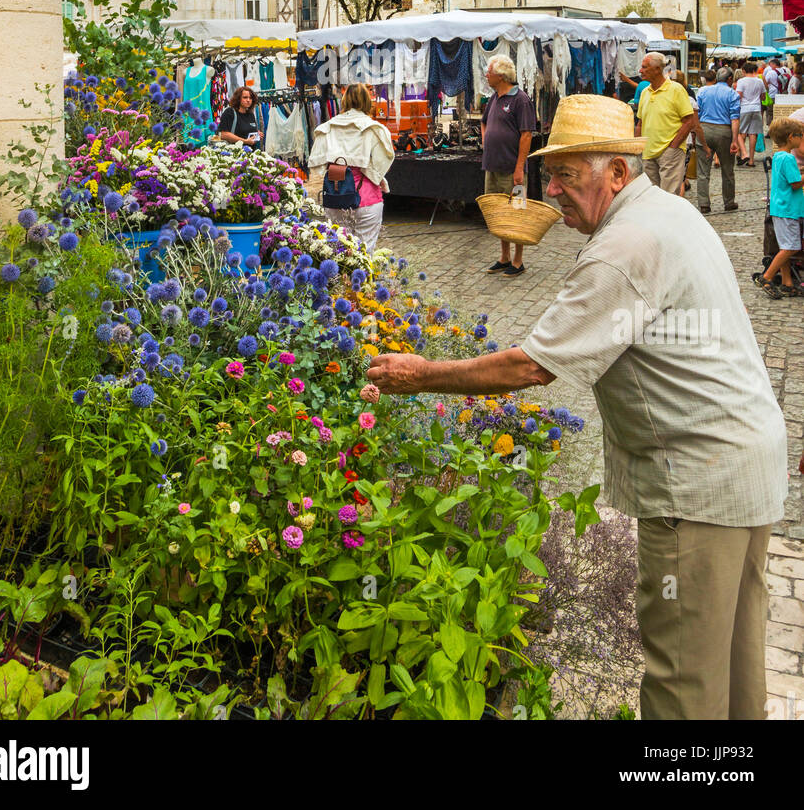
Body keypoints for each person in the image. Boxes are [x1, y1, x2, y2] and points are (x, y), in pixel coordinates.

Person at [368, 94, 787, 721]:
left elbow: (531, 364)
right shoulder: (668, 211)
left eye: (568, 174)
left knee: (684, 685)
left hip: (697, 484)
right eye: (552, 172)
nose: (554, 188)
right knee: (733, 666)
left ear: (617, 173)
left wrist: (422, 372)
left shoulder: (625, 247)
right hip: (745, 465)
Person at [307, 83, 394, 252]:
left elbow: (317, 165)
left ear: (344, 101)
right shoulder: (375, 129)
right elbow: (384, 164)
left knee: (340, 252)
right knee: (365, 252)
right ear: (367, 102)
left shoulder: (328, 128)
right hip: (367, 197)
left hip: (335, 196)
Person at [480, 54, 537, 277]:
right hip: (492, 166)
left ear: (501, 75)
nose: (486, 75)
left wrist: (519, 168)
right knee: (498, 213)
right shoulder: (494, 98)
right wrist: (486, 142)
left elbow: (526, 135)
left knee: (516, 213)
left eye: (489, 71)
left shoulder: (521, 99)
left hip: (513, 169)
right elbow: (484, 122)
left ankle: (518, 260)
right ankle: (504, 257)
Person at [752, 117, 804, 299]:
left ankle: (787, 283)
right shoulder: (789, 158)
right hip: (788, 209)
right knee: (790, 247)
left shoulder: (778, 156)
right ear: (791, 137)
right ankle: (767, 277)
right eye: (800, 136)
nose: (802, 138)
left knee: (785, 246)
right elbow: (796, 184)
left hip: (779, 208)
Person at [635, 52, 696, 193]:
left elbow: (689, 121)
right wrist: (637, 148)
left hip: (669, 152)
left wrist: (673, 146)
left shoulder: (676, 89)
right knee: (651, 195)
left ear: (657, 69)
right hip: (648, 153)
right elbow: (640, 123)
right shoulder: (645, 92)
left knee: (669, 196)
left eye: (644, 67)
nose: (640, 71)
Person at [695, 68, 741, 214]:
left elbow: (698, 113)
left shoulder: (702, 91)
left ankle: (703, 204)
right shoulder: (732, 94)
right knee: (727, 170)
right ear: (729, 79)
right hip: (724, 131)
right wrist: (735, 140)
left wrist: (697, 132)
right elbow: (735, 118)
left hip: (704, 129)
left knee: (703, 170)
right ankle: (728, 202)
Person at [735, 61, 765, 166]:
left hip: (744, 108)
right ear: (754, 70)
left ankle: (743, 154)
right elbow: (763, 97)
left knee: (740, 132)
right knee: (753, 134)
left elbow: (738, 96)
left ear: (743, 71)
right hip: (756, 108)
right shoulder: (759, 81)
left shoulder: (741, 81)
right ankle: (751, 160)